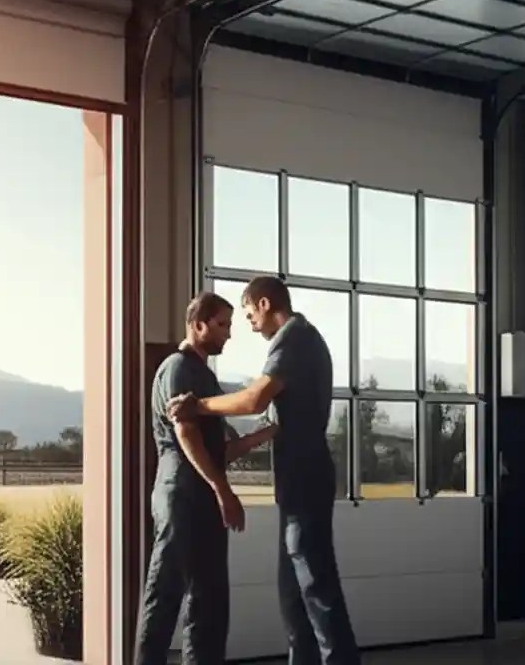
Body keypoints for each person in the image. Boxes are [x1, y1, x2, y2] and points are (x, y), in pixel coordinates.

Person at [168, 276, 360, 665]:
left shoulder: (295, 338)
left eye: (249, 313)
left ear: (266, 304)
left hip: (306, 475)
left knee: (316, 586)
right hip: (296, 479)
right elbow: (273, 420)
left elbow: (256, 398)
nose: (249, 324)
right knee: (293, 595)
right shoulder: (297, 342)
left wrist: (200, 406)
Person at [134, 292, 278, 665]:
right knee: (165, 594)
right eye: (222, 325)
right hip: (180, 495)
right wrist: (223, 491)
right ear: (198, 325)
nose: (228, 334)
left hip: (204, 500)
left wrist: (261, 435)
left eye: (230, 325)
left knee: (210, 600)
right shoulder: (177, 368)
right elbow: (187, 435)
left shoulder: (207, 378)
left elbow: (220, 451)